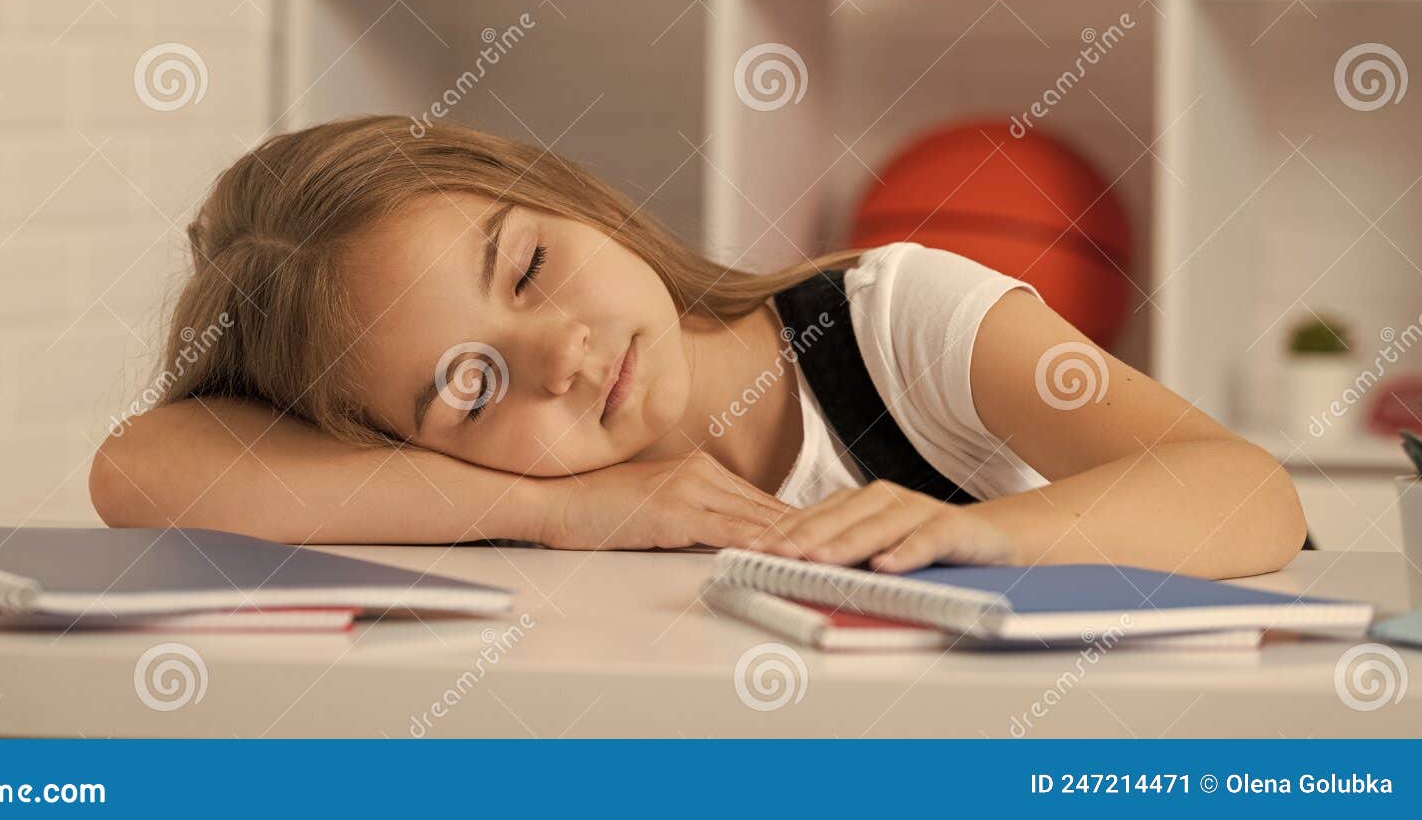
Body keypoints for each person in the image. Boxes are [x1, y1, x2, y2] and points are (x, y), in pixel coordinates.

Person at [90, 115, 1305, 578]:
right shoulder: (522, 488)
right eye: (469, 383)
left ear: (567, 193)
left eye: (527, 266)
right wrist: (563, 509)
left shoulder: (895, 319)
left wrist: (983, 534)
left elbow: (1248, 492)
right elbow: (138, 466)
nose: (559, 357)